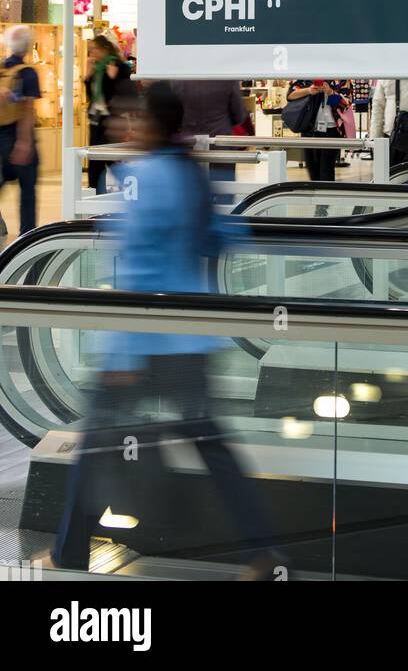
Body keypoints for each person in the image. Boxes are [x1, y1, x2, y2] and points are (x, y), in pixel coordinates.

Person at [49, 82, 287, 578]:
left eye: (131, 116)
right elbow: (215, 238)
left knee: (95, 445)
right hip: (190, 335)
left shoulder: (143, 177)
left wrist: (123, 359)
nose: (123, 125)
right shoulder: (186, 172)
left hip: (146, 342)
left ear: (151, 123)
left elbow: (139, 271)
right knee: (210, 442)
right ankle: (263, 549)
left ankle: (68, 554)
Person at [172, 79, 247, 202]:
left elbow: (173, 114)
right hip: (220, 144)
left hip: (189, 145)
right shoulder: (227, 78)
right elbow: (238, 115)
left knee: (190, 196)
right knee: (224, 196)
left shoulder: (180, 77)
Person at [0, 25, 41, 237]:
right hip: (18, 136)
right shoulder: (27, 73)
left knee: (3, 181)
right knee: (27, 189)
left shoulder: (1, 69)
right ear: (28, 45)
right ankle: (28, 233)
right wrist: (24, 143)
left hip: (1, 136)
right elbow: (27, 110)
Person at [84, 34, 135, 192]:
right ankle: (94, 196)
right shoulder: (96, 68)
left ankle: (129, 191)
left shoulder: (119, 66)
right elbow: (92, 96)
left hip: (112, 122)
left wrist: (112, 78)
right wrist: (88, 76)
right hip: (96, 120)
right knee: (95, 162)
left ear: (104, 49)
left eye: (94, 50)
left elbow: (125, 93)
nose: (92, 53)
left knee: (113, 160)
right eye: (90, 50)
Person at [285, 78, 351, 181]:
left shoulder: (340, 79)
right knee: (312, 171)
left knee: (326, 171)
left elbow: (346, 104)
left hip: (331, 130)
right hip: (309, 129)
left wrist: (330, 92)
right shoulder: (307, 76)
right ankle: (317, 195)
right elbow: (290, 95)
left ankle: (325, 195)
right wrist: (308, 91)